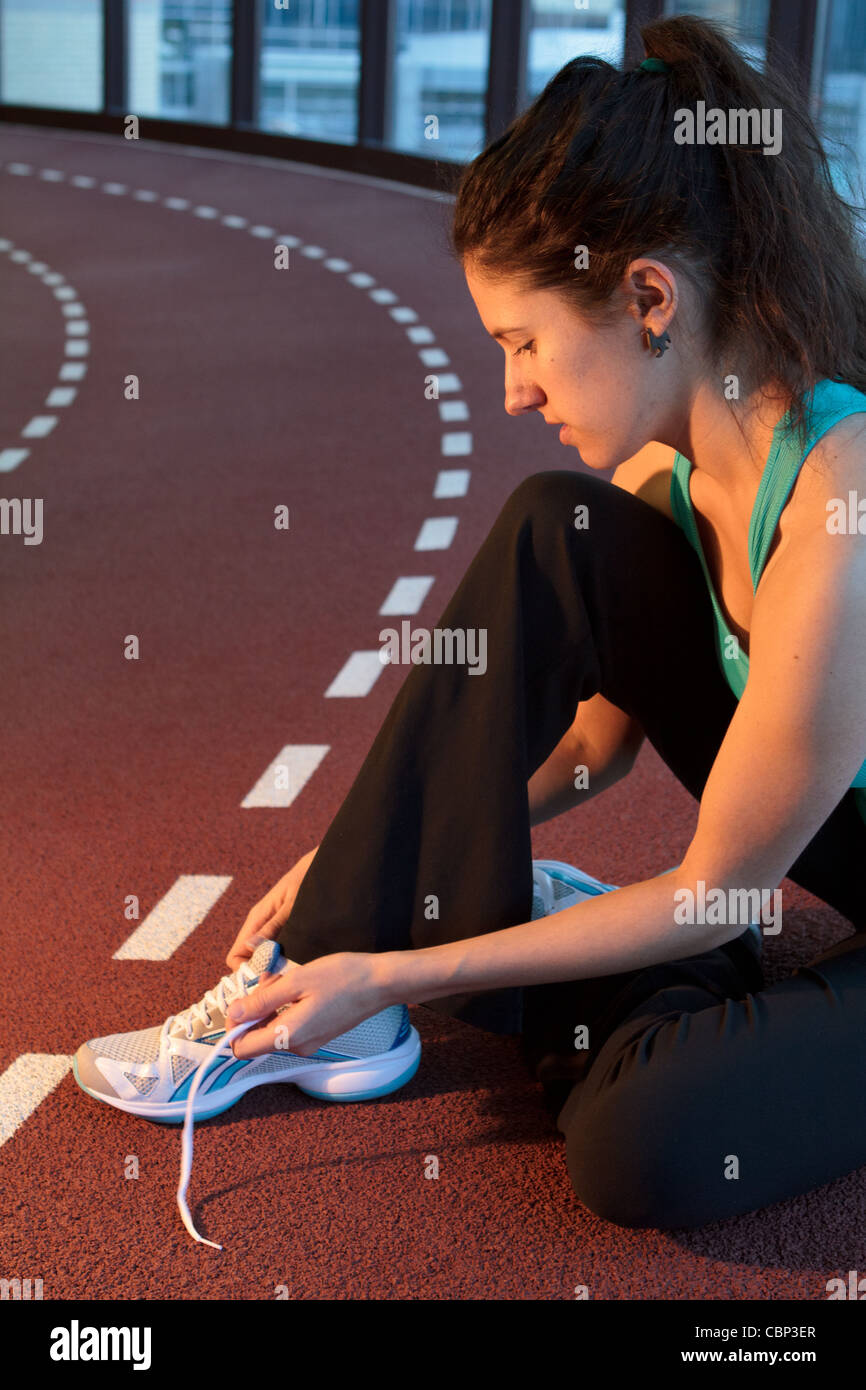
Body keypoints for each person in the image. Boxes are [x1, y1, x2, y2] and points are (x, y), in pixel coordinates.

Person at [75, 14, 866, 1232]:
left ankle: (503, 971)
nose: (512, 389)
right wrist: (365, 867)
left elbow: (722, 884)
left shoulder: (837, 506)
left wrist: (407, 964)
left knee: (640, 1150)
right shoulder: (666, 481)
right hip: (779, 867)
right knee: (560, 524)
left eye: (524, 343)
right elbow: (596, 749)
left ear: (646, 296)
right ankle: (336, 995)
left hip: (741, 884)